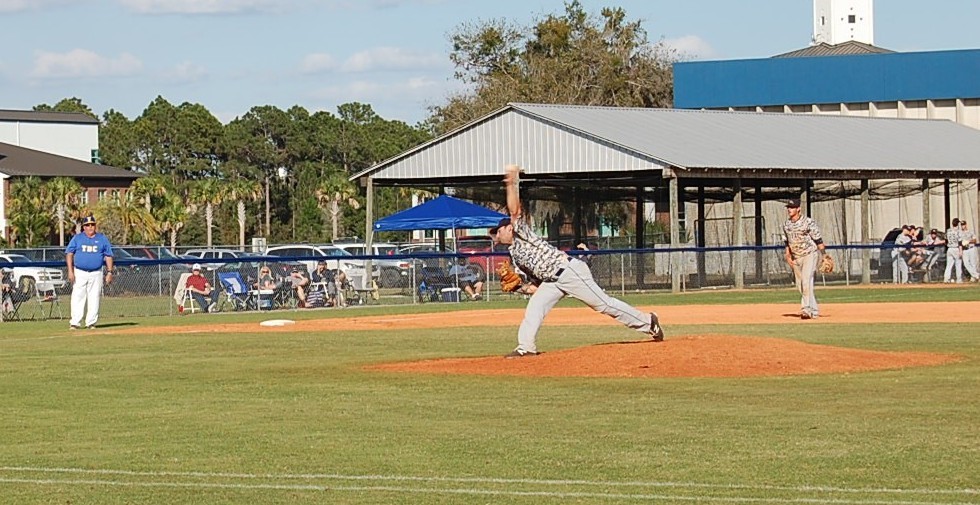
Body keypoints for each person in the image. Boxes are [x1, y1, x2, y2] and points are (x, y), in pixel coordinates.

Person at [491, 164, 663, 358]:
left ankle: (649, 322)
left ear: (507, 229)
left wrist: (511, 182)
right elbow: (534, 288)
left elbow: (514, 211)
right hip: (551, 282)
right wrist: (518, 287)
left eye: (497, 231)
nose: (496, 236)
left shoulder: (520, 232)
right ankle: (526, 347)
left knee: (603, 305)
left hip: (568, 271)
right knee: (535, 307)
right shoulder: (515, 255)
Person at [782, 198, 830, 319]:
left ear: (798, 209)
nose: (789, 209)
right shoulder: (786, 225)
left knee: (805, 280)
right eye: (788, 207)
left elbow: (817, 239)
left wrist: (823, 254)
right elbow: (787, 242)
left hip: (809, 254)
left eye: (792, 207)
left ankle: (806, 310)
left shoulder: (808, 222)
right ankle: (814, 310)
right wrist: (788, 255)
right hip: (796, 256)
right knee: (800, 285)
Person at [65, 214, 114, 330]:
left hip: (96, 272)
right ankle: (75, 323)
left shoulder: (102, 239)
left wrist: (110, 272)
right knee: (78, 297)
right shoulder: (78, 238)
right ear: (83, 227)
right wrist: (70, 271)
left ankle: (91, 322)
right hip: (80, 272)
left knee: (94, 297)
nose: (90, 227)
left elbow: (108, 255)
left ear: (95, 226)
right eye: (87, 225)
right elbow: (69, 254)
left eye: (92, 225)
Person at [944, 218, 963, 283]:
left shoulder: (948, 231)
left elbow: (945, 240)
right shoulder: (958, 231)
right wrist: (961, 251)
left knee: (949, 265)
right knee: (958, 264)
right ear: (957, 224)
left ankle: (946, 279)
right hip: (956, 248)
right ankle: (959, 279)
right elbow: (960, 242)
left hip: (949, 248)